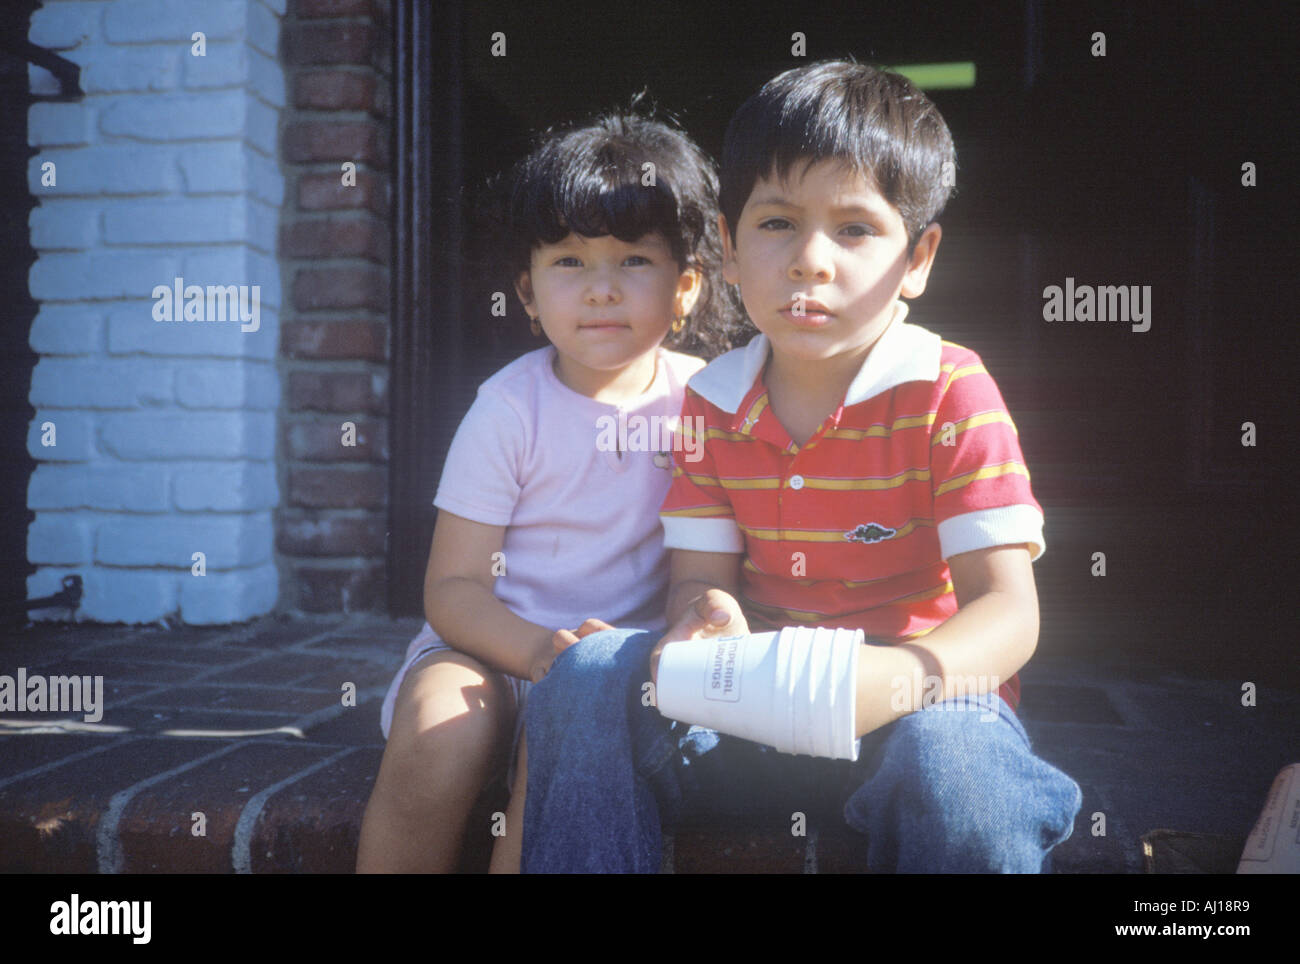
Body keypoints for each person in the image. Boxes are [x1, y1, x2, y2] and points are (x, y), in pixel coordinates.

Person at [517, 60, 1083, 873]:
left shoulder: (948, 390)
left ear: (918, 259)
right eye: (777, 222)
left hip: (914, 714)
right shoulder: (712, 404)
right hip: (751, 704)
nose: (810, 259)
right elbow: (696, 580)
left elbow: (1009, 616)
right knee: (587, 673)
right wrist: (703, 611)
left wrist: (892, 681)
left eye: (854, 229)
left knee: (967, 774)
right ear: (729, 245)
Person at [355, 109, 741, 872]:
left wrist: (696, 625)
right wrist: (534, 651)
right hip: (488, 649)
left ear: (687, 286)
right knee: (441, 728)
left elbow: (708, 569)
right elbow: (454, 587)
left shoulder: (707, 405)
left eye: (633, 260)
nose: (600, 289)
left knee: (561, 748)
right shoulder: (508, 408)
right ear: (527, 293)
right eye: (568, 262)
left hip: (611, 668)